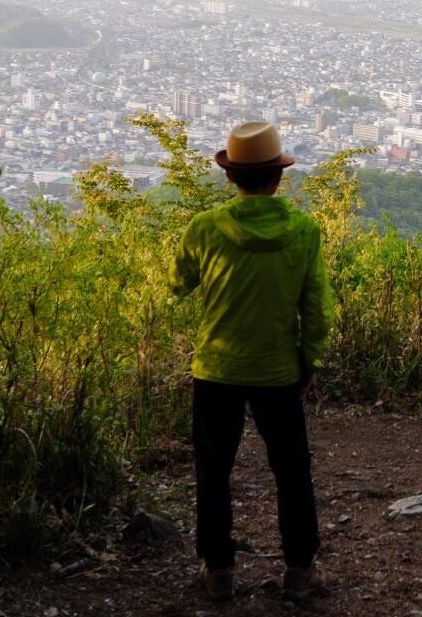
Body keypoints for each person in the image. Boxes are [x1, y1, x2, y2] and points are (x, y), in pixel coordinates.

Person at [171, 121, 333, 604]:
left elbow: (179, 283)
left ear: (231, 177)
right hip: (278, 369)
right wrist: (309, 360)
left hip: (216, 368)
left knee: (213, 470)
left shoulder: (205, 228)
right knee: (291, 470)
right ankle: (300, 572)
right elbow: (318, 308)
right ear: (278, 178)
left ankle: (218, 571)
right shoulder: (303, 230)